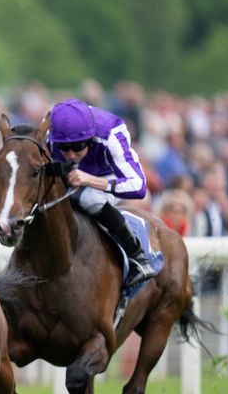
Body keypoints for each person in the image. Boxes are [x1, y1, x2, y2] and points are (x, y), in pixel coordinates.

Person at [47, 98, 157, 287]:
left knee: (90, 198)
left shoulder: (111, 134)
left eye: (78, 147)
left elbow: (139, 186)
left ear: (90, 139)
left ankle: (137, 257)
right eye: (64, 148)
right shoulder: (50, 136)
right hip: (73, 174)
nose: (71, 155)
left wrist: (90, 180)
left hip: (109, 173)